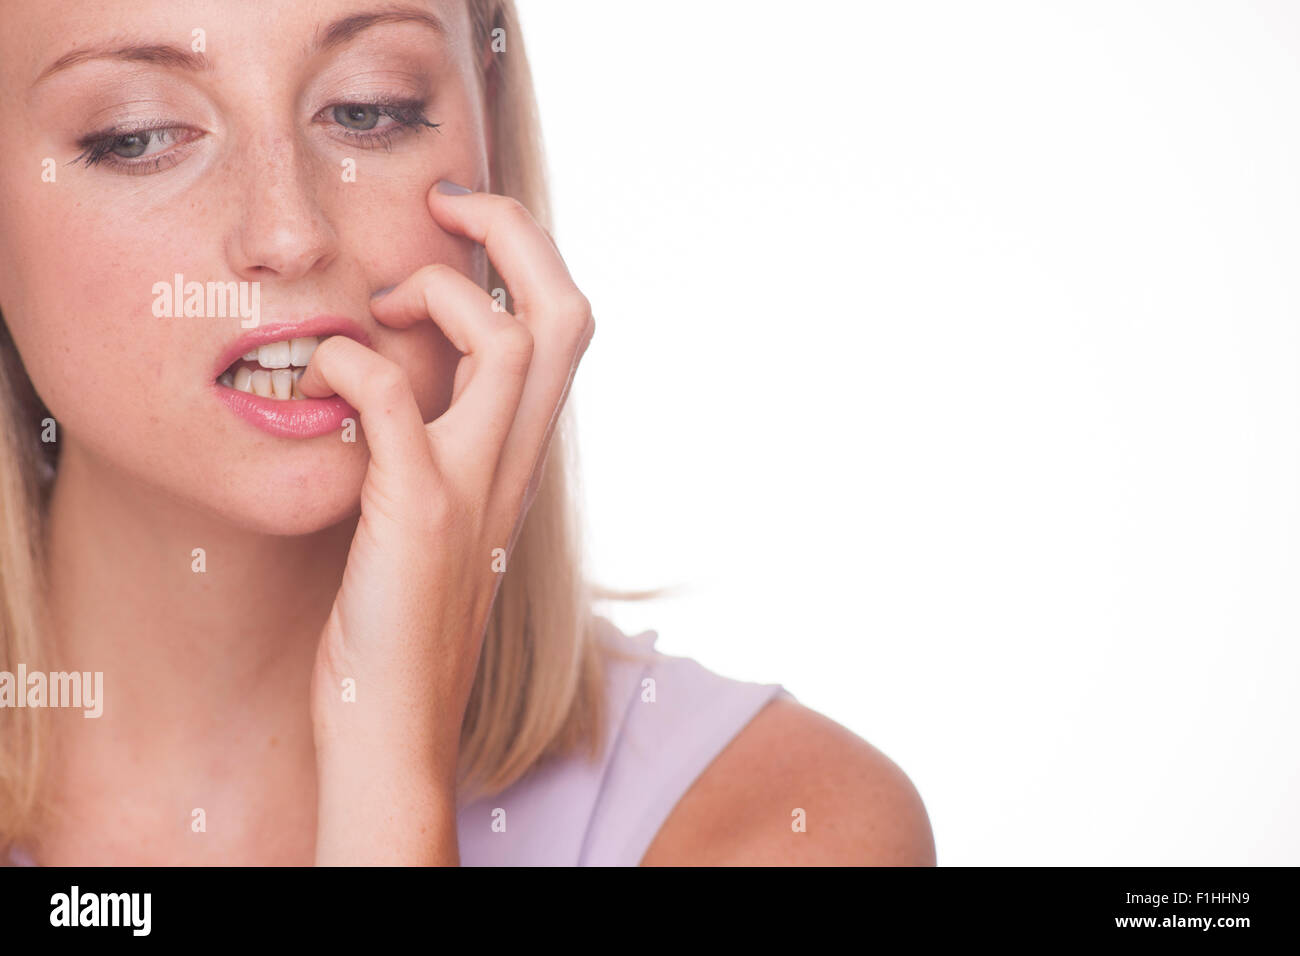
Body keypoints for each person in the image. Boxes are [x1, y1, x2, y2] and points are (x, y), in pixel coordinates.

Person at [0, 0, 935, 866]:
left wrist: (390, 766)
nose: (288, 234)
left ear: (489, 134)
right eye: (136, 136)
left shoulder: (786, 823)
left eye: (370, 112)